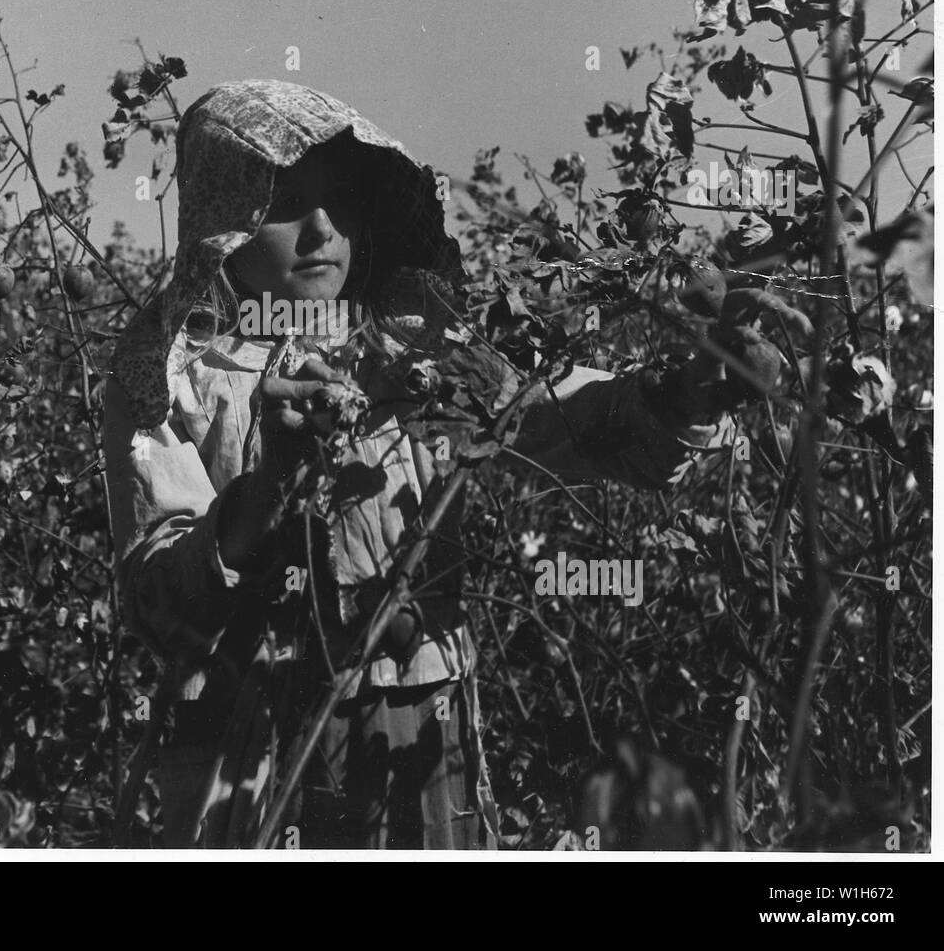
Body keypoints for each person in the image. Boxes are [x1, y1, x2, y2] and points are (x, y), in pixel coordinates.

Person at [102, 78, 781, 849]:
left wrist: (681, 390)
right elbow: (161, 601)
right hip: (244, 735)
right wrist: (267, 489)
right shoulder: (164, 376)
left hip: (411, 712)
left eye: (340, 200)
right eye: (284, 202)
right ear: (223, 219)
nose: (322, 230)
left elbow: (562, 418)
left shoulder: (416, 340)